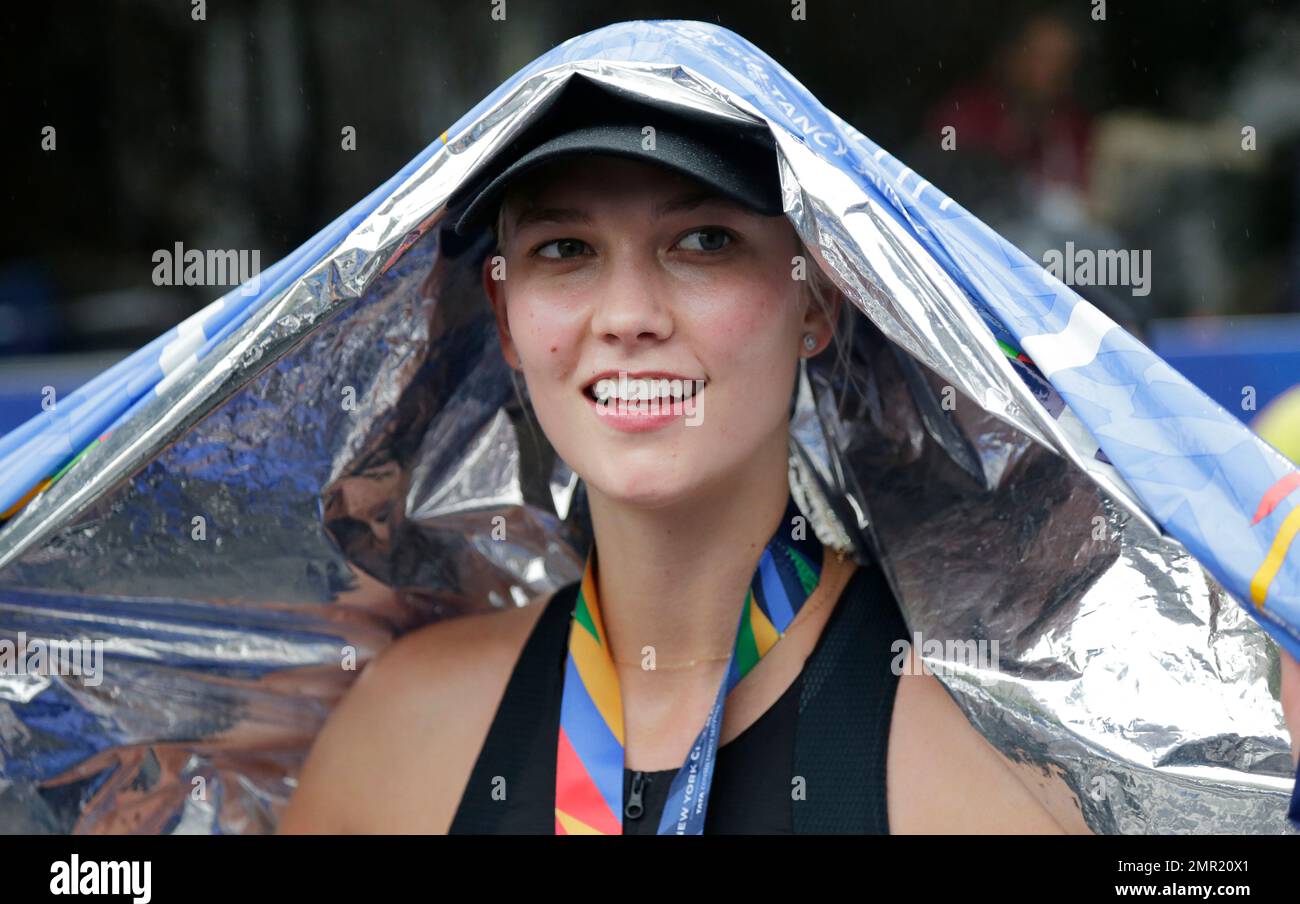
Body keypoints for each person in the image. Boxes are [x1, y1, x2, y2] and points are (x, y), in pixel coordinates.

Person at [279, 81, 1299, 835]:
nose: (628, 315)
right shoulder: (403, 733)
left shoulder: (1003, 747)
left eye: (704, 241)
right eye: (564, 250)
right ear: (505, 318)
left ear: (815, 300)